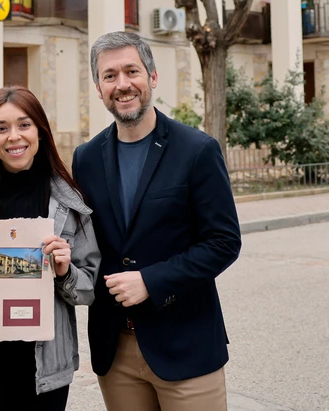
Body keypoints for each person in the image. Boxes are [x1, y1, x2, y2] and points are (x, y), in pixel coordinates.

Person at [72, 32, 242, 411]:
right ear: (99, 88)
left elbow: (224, 242)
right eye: (110, 75)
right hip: (114, 350)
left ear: (152, 76)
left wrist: (151, 281)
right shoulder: (86, 158)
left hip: (186, 346)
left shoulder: (197, 150)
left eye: (131, 71)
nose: (122, 84)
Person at [0, 86, 100, 410]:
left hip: (44, 372)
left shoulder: (68, 203)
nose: (14, 136)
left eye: (24, 124)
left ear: (40, 131)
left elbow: (88, 287)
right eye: (1, 128)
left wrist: (64, 272)